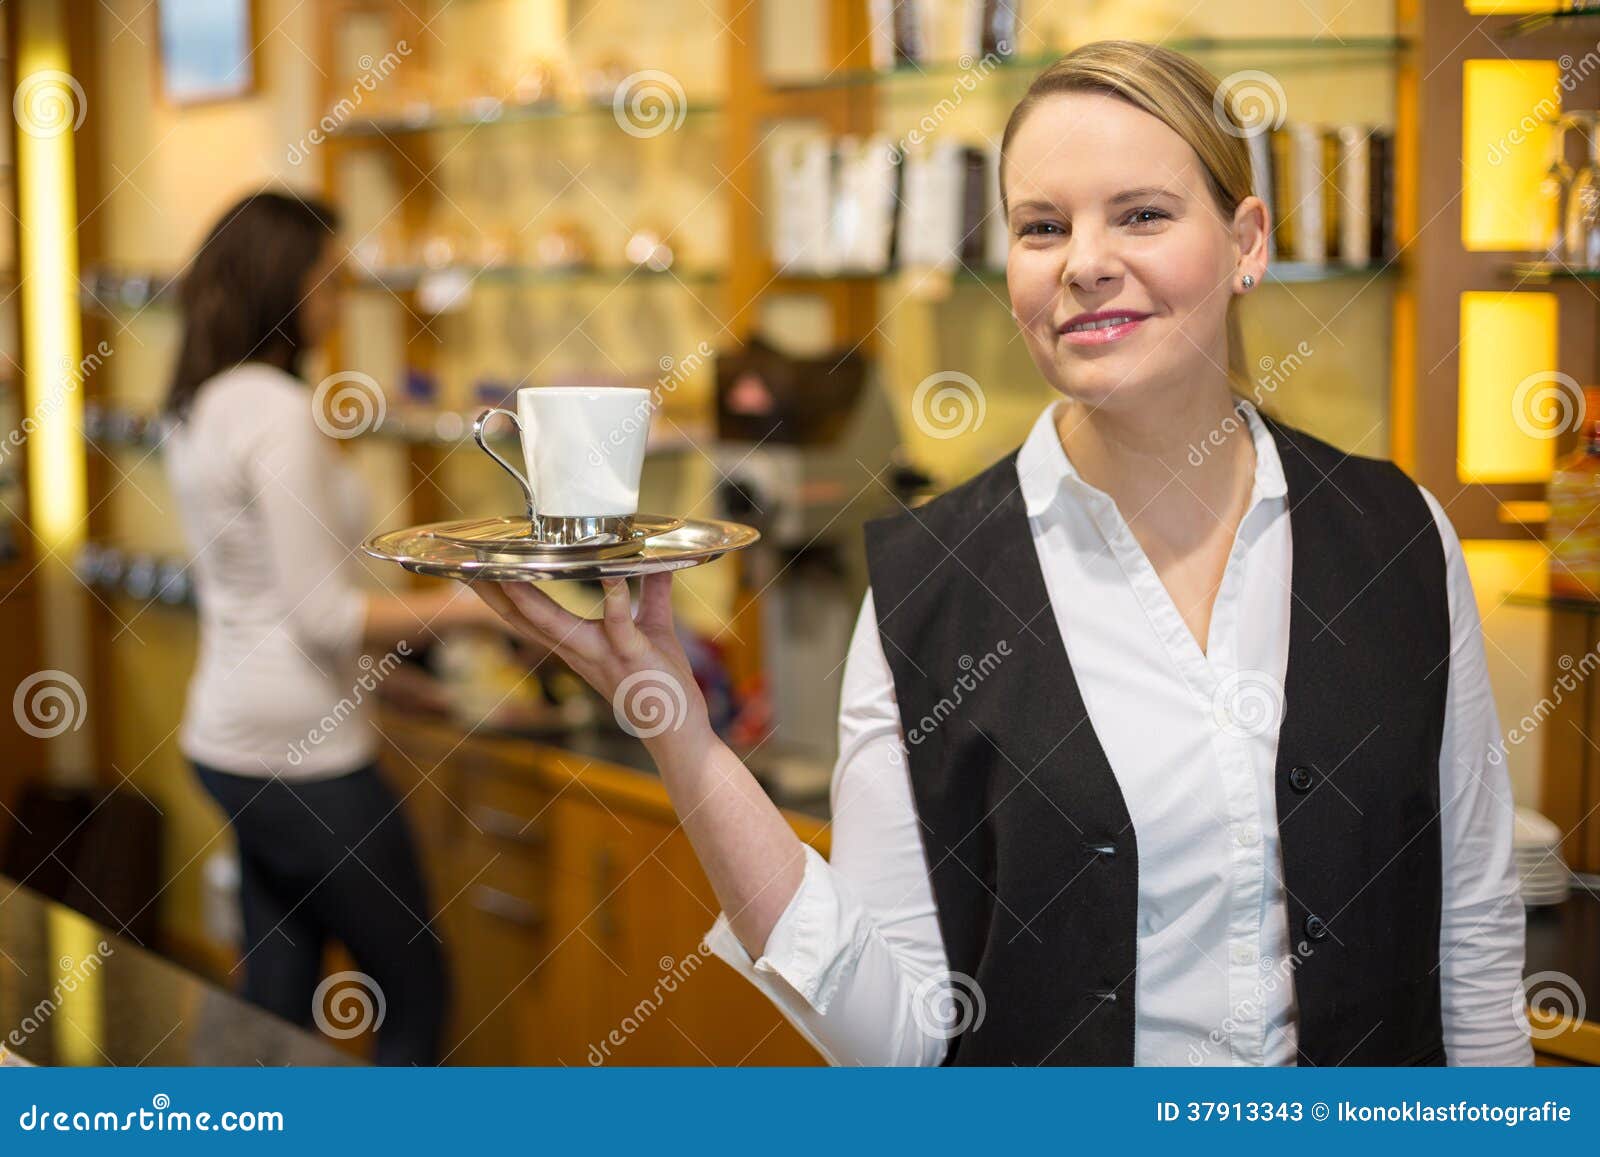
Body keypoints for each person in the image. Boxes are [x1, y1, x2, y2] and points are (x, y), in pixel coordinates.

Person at [471, 42, 1532, 1066]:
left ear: (1246, 239)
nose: (1084, 263)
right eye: (1041, 226)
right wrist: (688, 743)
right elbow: (898, 1039)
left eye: (1143, 215)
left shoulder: (1396, 535)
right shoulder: (930, 583)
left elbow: (1474, 944)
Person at [163, 191, 501, 1065]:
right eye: (330, 280)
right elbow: (320, 615)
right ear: (285, 283)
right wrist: (487, 603)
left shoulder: (201, 403)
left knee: (276, 995)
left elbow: (264, 599)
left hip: (229, 736)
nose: (339, 301)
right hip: (301, 754)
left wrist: (391, 680)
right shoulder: (275, 409)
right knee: (414, 987)